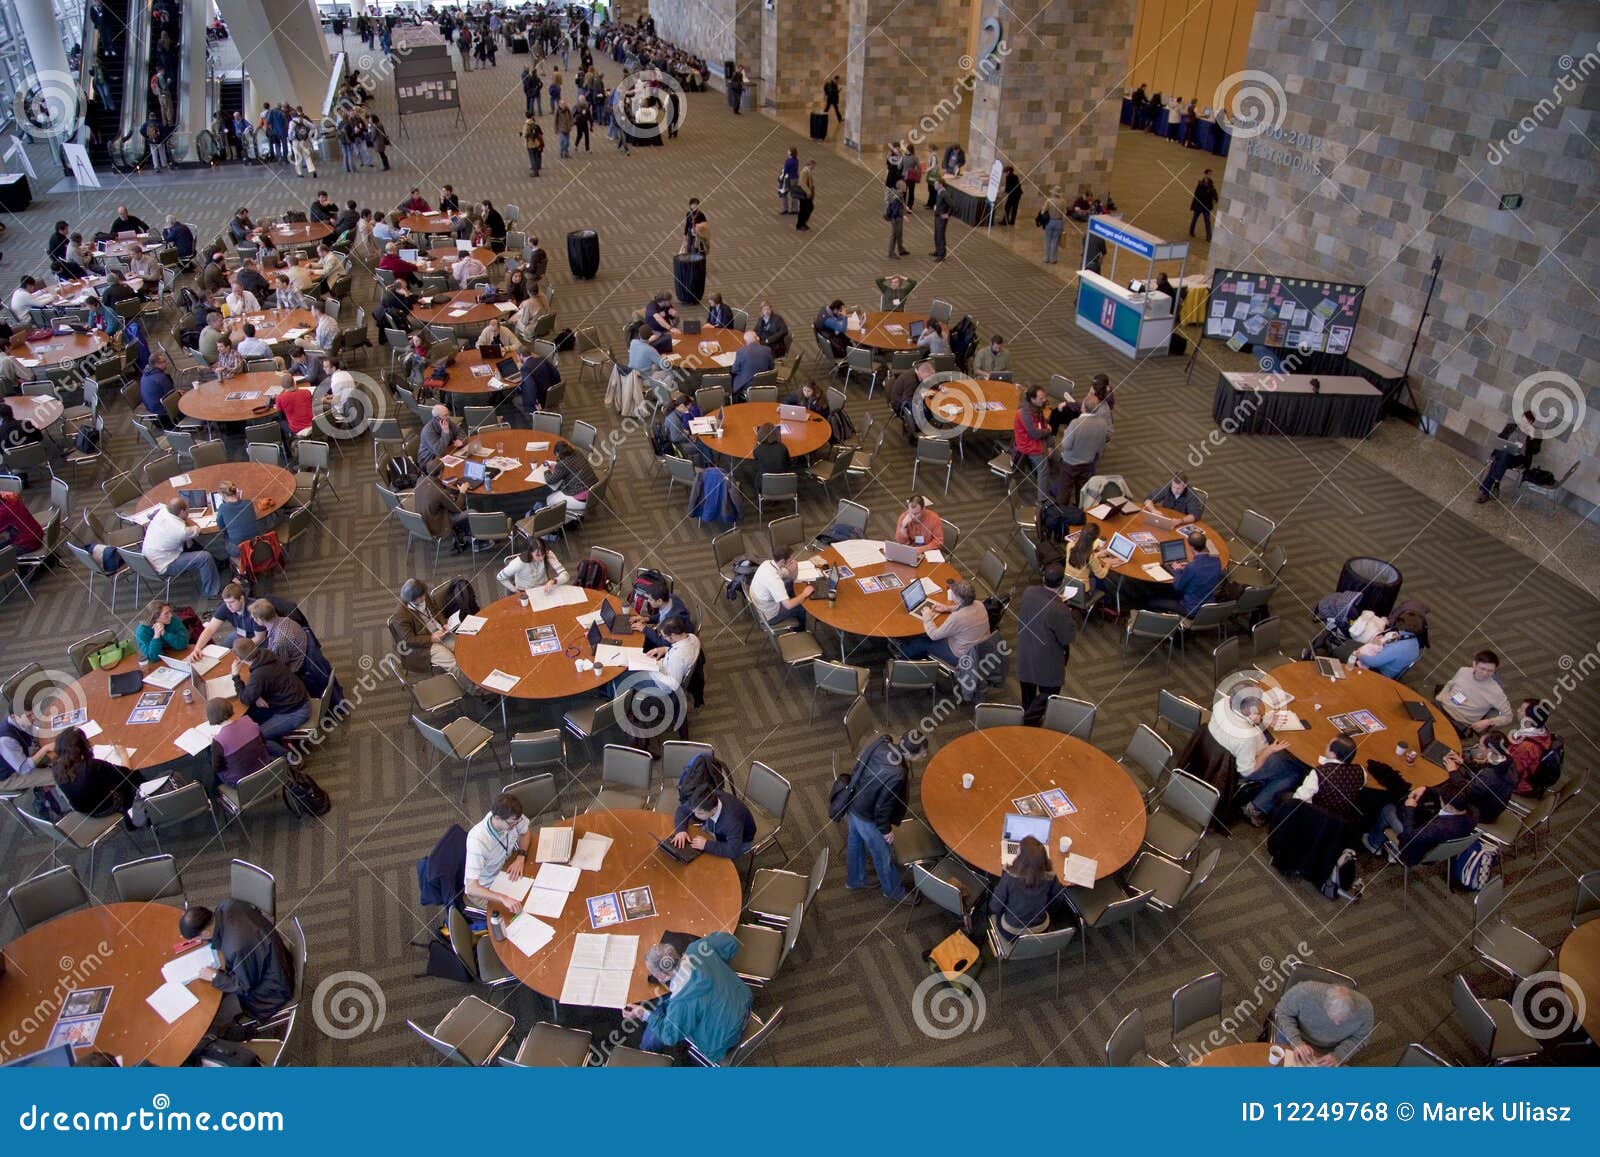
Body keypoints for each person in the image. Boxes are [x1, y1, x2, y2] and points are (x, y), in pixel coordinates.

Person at [624, 935, 753, 1063]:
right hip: (744, 1005)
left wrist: (644, 1014)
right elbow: (730, 942)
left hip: (723, 1041)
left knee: (659, 1009)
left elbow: (669, 1037)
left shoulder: (680, 1003)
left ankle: (645, 1052)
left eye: (654, 974)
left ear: (662, 977)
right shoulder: (697, 949)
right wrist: (715, 966)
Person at [179, 900, 295, 1026]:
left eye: (197, 938)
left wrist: (214, 976)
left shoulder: (236, 948)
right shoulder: (228, 905)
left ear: (206, 933)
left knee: (213, 1012)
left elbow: (243, 986)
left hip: (272, 988)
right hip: (275, 958)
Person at [843, 730, 928, 900]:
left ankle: (855, 880)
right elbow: (884, 805)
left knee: (855, 842)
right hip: (867, 816)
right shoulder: (897, 774)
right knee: (883, 856)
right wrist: (885, 830)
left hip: (853, 800)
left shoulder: (883, 742)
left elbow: (861, 764)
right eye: (923, 752)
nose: (926, 754)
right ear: (911, 755)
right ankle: (893, 891)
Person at [1242, 734, 1358, 827]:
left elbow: (1299, 799)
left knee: (1291, 777)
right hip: (1336, 823)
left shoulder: (1318, 773)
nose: (1326, 745)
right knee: (1293, 772)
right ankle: (1256, 807)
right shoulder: (1359, 771)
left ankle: (1257, 808)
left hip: (1310, 815)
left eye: (1328, 745)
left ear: (1332, 754)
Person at [1016, 564, 1078, 726]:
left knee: (1027, 690)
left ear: (1044, 578)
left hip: (1025, 651)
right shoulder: (1059, 609)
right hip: (1047, 659)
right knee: (1049, 693)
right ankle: (1030, 721)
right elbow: (1067, 638)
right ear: (1061, 583)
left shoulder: (1029, 592)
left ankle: (1027, 714)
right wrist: (1065, 611)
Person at [230, 636, 311, 757]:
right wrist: (257, 695)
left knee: (258, 738)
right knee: (251, 714)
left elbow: (245, 699)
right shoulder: (265, 654)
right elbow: (266, 681)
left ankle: (292, 759)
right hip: (296, 699)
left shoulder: (259, 675)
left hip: (295, 712)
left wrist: (236, 676)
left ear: (240, 658)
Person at [1271, 982, 1373, 1065]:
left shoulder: (1365, 1010)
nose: (1337, 1024)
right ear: (1325, 1006)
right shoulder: (1303, 992)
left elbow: (1360, 1038)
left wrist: (1338, 1055)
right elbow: (1282, 1012)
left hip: (1329, 1049)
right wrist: (1296, 1042)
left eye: (1342, 1021)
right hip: (1293, 1036)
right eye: (1333, 1018)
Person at [143, 499, 224, 599]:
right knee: (205, 557)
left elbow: (151, 516)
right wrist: (186, 520)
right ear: (182, 511)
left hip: (147, 559)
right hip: (165, 564)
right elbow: (198, 528)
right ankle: (211, 592)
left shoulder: (162, 511)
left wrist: (186, 534)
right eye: (187, 510)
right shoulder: (181, 531)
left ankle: (215, 565)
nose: (189, 511)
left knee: (190, 542)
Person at [463, 794, 531, 912]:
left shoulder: (513, 816)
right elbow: (471, 887)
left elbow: (525, 832)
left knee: (532, 896)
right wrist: (502, 898)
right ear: (497, 818)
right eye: (512, 823)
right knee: (521, 911)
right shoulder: (478, 840)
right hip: (486, 888)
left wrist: (521, 856)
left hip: (504, 870)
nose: (516, 825)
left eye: (517, 821)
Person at [51, 727, 137, 819]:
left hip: (83, 810)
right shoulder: (92, 766)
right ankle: (132, 813)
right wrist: (123, 754)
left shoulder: (56, 766)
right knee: (131, 780)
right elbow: (126, 774)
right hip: (105, 808)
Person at [990, 836, 1065, 938]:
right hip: (1041, 930)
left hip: (1011, 933)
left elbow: (994, 907)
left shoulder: (1009, 878)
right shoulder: (1050, 876)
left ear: (1022, 859)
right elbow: (1058, 897)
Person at [670, 778, 755, 859]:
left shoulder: (731, 821)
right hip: (715, 827)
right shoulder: (704, 799)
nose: (695, 814)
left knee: (713, 863)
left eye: (700, 813)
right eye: (693, 810)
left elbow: (733, 851)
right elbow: (682, 810)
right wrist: (681, 831)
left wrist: (707, 845)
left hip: (740, 841)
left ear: (713, 809)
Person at [1435, 649, 1513, 735]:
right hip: (1441, 707)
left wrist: (1488, 722)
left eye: (1490, 671)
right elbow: (1450, 684)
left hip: (1458, 723)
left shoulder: (1496, 692)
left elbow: (1508, 717)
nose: (1485, 673)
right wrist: (1441, 696)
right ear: (1474, 664)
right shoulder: (1463, 671)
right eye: (1482, 668)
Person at [205, 698, 271, 798]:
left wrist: (214, 746)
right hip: (264, 768)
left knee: (210, 756)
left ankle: (214, 794)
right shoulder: (249, 721)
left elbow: (217, 768)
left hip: (240, 782)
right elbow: (264, 742)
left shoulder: (218, 742)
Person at [1056, 395, 1112, 506]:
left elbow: (1066, 445)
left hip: (1070, 464)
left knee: (1064, 491)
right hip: (1087, 463)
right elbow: (1100, 447)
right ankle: (1079, 511)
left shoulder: (1075, 423)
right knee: (1081, 491)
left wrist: (1067, 432)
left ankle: (1062, 513)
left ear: (1083, 407)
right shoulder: (1103, 424)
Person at [1477, 410, 1542, 502]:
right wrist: (1493, 454)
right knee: (1503, 455)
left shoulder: (1536, 434)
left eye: (1526, 422)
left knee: (1498, 461)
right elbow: (1500, 441)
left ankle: (1487, 489)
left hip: (1518, 459)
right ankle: (1494, 485)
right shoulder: (1511, 427)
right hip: (1505, 455)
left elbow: (1535, 451)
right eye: (1522, 420)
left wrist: (1532, 437)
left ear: (1531, 423)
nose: (1522, 423)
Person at [397, 577, 457, 672]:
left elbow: (435, 610)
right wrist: (432, 638)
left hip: (440, 631)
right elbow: (409, 640)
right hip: (424, 645)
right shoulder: (401, 615)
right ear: (411, 599)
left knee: (463, 648)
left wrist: (444, 623)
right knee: (454, 663)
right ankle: (471, 685)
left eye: (424, 595)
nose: (424, 598)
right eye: (420, 598)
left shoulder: (423, 595)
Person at [749, 546, 813, 630]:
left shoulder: (767, 563)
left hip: (762, 604)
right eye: (791, 560)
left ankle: (795, 601)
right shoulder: (774, 580)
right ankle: (800, 631)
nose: (794, 561)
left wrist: (795, 568)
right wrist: (804, 594)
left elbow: (792, 578)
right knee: (803, 606)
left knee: (789, 583)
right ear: (783, 561)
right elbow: (788, 605)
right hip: (770, 616)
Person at [1350, 610, 1426, 678]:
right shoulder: (1414, 641)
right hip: (1390, 668)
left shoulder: (1398, 648)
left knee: (1347, 651)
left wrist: (1359, 655)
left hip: (1380, 673)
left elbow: (1373, 662)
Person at [414, 462, 472, 552]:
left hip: (422, 521)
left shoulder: (420, 480)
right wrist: (462, 492)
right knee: (471, 513)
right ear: (441, 472)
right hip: (438, 524)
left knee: (453, 498)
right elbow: (458, 508)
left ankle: (463, 533)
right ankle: (480, 542)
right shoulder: (439, 492)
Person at [1507, 699, 1557, 797]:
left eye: (1521, 710)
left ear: (1529, 721)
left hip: (1520, 785)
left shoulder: (1526, 747)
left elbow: (1512, 771)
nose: (1517, 710)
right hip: (1530, 779)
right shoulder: (1543, 731)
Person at [1014, 386, 1054, 498]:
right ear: (1032, 399)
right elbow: (1035, 434)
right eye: (1041, 398)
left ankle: (1050, 488)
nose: (1044, 400)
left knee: (1054, 454)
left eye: (1044, 397)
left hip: (1036, 439)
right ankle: (1042, 500)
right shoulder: (1025, 414)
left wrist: (1050, 444)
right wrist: (1048, 430)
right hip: (1028, 444)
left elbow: (1043, 426)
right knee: (1044, 469)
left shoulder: (1036, 408)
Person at [496, 540, 569, 593]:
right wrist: (515, 590)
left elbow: (565, 575)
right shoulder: (518, 563)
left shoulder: (548, 555)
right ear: (530, 553)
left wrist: (554, 581)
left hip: (544, 588)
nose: (542, 558)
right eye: (537, 555)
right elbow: (500, 577)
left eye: (543, 554)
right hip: (524, 591)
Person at [418, 404, 465, 471]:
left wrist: (460, 440)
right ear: (437, 418)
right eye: (445, 415)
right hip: (430, 461)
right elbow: (439, 451)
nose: (448, 417)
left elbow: (461, 432)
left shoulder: (447, 421)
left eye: (448, 414)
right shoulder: (428, 431)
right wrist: (445, 432)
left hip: (446, 453)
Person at [729, 330, 774, 399]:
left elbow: (734, 370)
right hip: (765, 382)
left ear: (746, 342)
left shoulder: (741, 351)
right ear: (757, 338)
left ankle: (734, 396)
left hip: (747, 385)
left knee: (731, 374)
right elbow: (771, 367)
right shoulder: (767, 350)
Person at [518, 345, 561, 416]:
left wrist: (535, 403)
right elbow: (556, 375)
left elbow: (531, 388)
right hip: (553, 393)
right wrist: (554, 388)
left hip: (542, 399)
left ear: (521, 356)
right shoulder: (542, 359)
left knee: (515, 401)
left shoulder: (525, 368)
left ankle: (534, 420)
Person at [1189, 170, 1218, 241]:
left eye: (1210, 174)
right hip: (1199, 206)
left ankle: (1209, 237)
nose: (1209, 176)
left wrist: (1215, 199)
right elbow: (1197, 194)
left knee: (1207, 221)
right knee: (1194, 219)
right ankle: (1191, 231)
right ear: (1205, 174)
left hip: (1206, 207)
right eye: (1208, 174)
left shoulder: (1211, 185)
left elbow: (1215, 194)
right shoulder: (1200, 184)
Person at [1040, 186, 1066, 263]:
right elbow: (1064, 213)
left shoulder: (1049, 201)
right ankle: (1053, 258)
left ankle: (1046, 258)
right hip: (1059, 222)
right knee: (1055, 241)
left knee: (1047, 240)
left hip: (1050, 221)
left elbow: (1043, 212)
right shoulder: (1063, 202)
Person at [929, 177, 953, 259]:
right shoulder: (939, 192)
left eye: (936, 184)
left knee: (940, 235)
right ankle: (937, 250)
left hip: (942, 218)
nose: (934, 186)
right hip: (937, 216)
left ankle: (941, 254)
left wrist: (948, 214)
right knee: (936, 235)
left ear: (940, 184)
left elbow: (952, 205)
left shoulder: (944, 194)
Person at [885, 182, 909, 258]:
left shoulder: (898, 193)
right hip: (895, 218)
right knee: (894, 234)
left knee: (899, 233)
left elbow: (902, 202)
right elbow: (895, 211)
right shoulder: (897, 197)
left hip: (897, 217)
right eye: (904, 186)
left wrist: (905, 207)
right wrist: (903, 216)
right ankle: (891, 253)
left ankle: (901, 249)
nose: (906, 187)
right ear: (900, 187)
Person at [795, 160, 816, 231]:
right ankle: (800, 224)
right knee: (806, 208)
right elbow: (802, 183)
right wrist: (809, 192)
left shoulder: (808, 171)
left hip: (807, 194)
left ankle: (803, 223)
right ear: (809, 165)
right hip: (805, 194)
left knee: (806, 208)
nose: (813, 167)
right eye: (813, 166)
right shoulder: (804, 172)